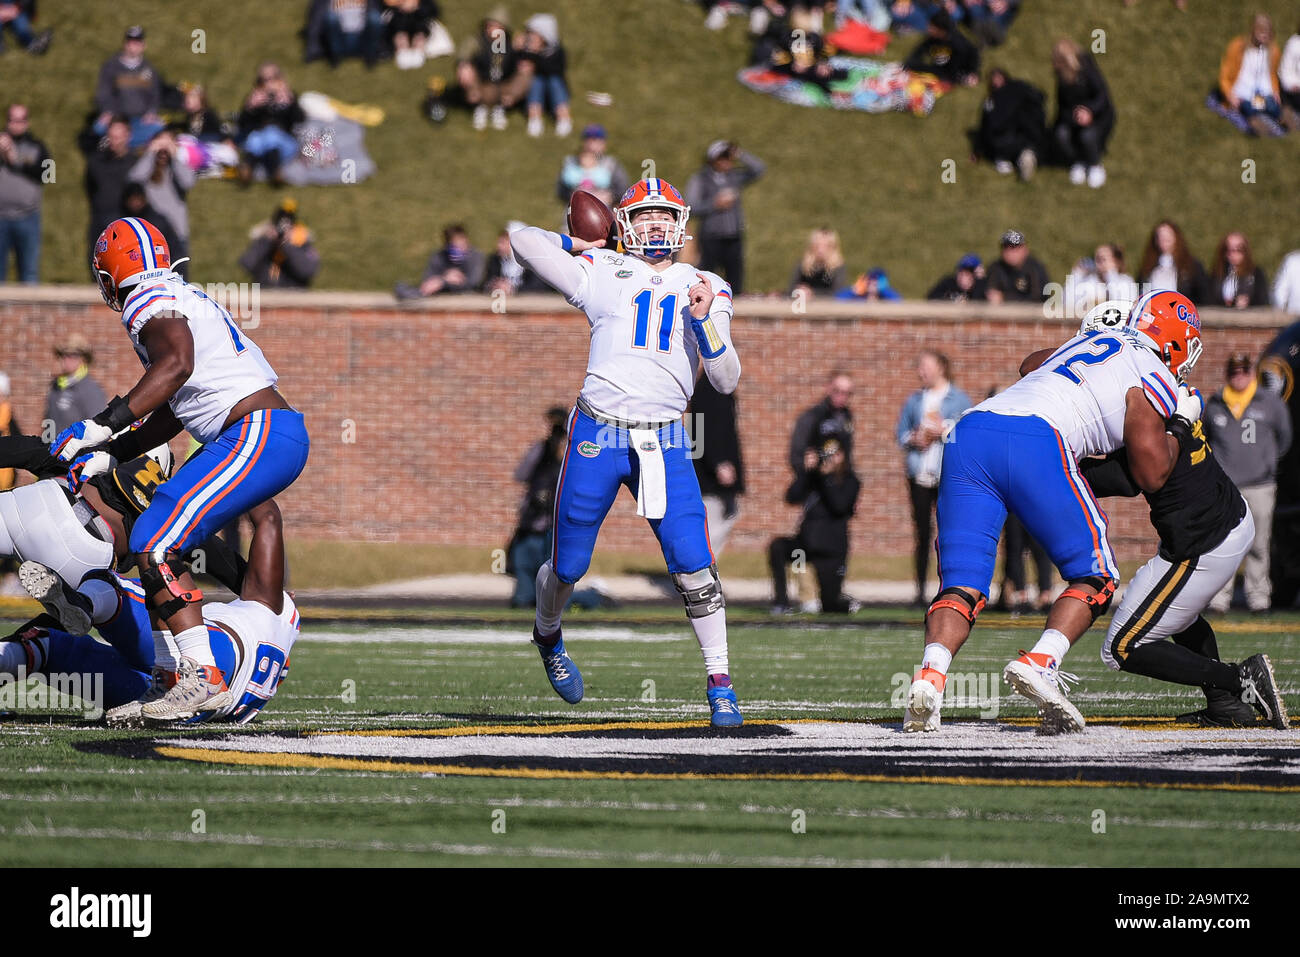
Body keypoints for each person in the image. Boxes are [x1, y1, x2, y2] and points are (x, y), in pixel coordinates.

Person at [903, 291, 1202, 734]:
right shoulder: (1155, 371)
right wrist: (1179, 420)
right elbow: (1152, 470)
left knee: (962, 585)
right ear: (1177, 341)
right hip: (1034, 438)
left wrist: (1086, 337)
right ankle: (1041, 663)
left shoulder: (1090, 343)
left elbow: (1029, 364)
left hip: (970, 432)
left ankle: (929, 678)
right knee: (1096, 577)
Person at [50, 216, 310, 722]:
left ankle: (201, 678)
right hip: (261, 432)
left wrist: (103, 425)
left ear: (111, 274)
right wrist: (120, 449)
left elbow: (177, 366)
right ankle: (179, 675)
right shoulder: (176, 294)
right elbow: (176, 403)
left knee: (154, 538)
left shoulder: (147, 300)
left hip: (253, 431)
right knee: (160, 535)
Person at [509, 177, 745, 727]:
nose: (658, 225)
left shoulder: (707, 283)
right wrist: (579, 244)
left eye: (666, 216)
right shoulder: (604, 272)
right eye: (645, 216)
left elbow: (728, 379)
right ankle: (548, 634)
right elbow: (521, 240)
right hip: (598, 432)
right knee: (568, 567)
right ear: (624, 224)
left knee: (695, 567)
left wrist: (706, 320)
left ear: (682, 223)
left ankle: (720, 682)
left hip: (663, 438)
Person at [1059, 312, 1287, 729]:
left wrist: (1054, 470)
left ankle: (1239, 680)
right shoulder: (1159, 386)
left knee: (1123, 646)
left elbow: (1133, 478)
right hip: (1221, 521)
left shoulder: (1146, 398)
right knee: (1179, 613)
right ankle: (1225, 703)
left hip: (1203, 542)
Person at [9, 498, 300, 727]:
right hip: (200, 704)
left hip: (206, 663)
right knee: (48, 646)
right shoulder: (274, 649)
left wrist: (232, 466)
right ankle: (78, 612)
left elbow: (268, 517)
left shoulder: (267, 603)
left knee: (127, 586)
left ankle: (85, 604)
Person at [1204, 353, 1292, 614]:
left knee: (1259, 544)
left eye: (1243, 370)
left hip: (1260, 485)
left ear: (1252, 372)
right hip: (1226, 487)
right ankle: (1219, 599)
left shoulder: (1270, 403)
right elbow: (1205, 440)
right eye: (1234, 371)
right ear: (1227, 373)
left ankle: (1259, 598)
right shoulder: (1216, 403)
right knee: (1222, 544)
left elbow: (1284, 439)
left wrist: (1266, 464)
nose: (1239, 376)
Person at [505, 407, 609, 610]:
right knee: (523, 598)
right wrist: (544, 453)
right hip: (531, 525)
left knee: (557, 597)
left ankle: (594, 596)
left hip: (554, 527)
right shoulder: (541, 450)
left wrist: (562, 454)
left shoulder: (573, 451)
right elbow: (521, 474)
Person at [896, 350, 972, 605]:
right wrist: (914, 438)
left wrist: (943, 431)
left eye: (925, 366)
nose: (920, 372)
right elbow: (901, 433)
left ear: (940, 367)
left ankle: (948, 588)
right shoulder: (915, 400)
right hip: (919, 474)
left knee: (948, 533)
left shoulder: (958, 399)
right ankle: (919, 590)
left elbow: (966, 433)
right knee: (921, 533)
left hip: (946, 476)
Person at [770, 436, 861, 615]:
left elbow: (839, 505)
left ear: (842, 456)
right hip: (805, 550)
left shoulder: (850, 481)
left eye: (833, 455)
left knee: (829, 605)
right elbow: (791, 497)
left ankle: (844, 602)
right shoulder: (812, 479)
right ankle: (782, 602)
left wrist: (826, 478)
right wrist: (806, 472)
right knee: (779, 547)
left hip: (831, 552)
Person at [684, 140, 766, 295]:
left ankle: (735, 309)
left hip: (733, 235)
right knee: (707, 275)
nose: (727, 161)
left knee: (736, 277)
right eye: (722, 157)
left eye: (729, 157)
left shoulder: (733, 177)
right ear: (712, 160)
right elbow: (691, 206)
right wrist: (714, 204)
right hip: (710, 236)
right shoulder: (700, 179)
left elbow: (759, 169)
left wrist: (741, 154)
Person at [1217, 12, 1297, 137]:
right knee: (1248, 108)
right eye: (1261, 32)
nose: (1264, 36)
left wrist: (1275, 90)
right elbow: (1225, 76)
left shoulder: (1273, 50)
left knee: (1272, 106)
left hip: (1263, 91)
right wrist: (1230, 95)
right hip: (1243, 91)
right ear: (1253, 31)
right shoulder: (1237, 47)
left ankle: (1284, 119)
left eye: (1267, 33)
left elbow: (1273, 74)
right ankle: (1257, 124)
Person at [690, 375, 745, 555]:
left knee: (727, 516)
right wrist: (717, 463)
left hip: (717, 473)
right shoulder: (707, 389)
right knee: (710, 527)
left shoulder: (721, 389)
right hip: (709, 476)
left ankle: (704, 574)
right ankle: (699, 575)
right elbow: (699, 430)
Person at [457, 7, 534, 131]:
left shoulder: (512, 42)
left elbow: (528, 58)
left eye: (496, 26)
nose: (492, 30)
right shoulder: (477, 41)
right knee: (466, 71)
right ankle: (480, 106)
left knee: (526, 73)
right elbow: (464, 53)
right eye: (490, 26)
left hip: (504, 84)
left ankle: (500, 108)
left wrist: (522, 50)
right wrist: (463, 65)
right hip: (484, 84)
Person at [1051, 37, 1114, 188]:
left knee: (1087, 136)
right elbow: (1062, 104)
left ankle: (1094, 165)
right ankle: (1078, 160)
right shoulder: (1061, 77)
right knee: (1061, 135)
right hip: (1073, 118)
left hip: (1098, 117)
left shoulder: (1087, 68)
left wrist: (1089, 111)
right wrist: (1072, 117)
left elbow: (1103, 96)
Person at [128, 131, 195, 269]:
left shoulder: (176, 168)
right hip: (152, 231)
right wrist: (150, 153)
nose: (163, 149)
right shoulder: (147, 169)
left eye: (168, 143)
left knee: (179, 274)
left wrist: (175, 157)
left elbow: (188, 182)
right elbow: (134, 179)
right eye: (160, 143)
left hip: (177, 230)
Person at [93, 26, 164, 149]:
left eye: (137, 43)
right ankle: (127, 141)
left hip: (140, 118)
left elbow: (155, 95)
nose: (133, 47)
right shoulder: (111, 66)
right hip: (117, 118)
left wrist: (151, 112)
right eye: (130, 43)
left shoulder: (149, 69)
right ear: (124, 44)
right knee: (98, 128)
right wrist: (107, 111)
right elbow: (104, 93)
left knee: (158, 127)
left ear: (143, 46)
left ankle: (118, 142)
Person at [0, 102, 48, 283]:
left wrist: (15, 159)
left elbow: (47, 174)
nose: (17, 124)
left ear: (26, 123)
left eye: (21, 120)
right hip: (1, 217)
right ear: (7, 122)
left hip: (28, 217)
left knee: (29, 274)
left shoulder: (37, 146)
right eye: (13, 120)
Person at [970, 67, 1045, 181]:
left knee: (1019, 146)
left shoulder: (1018, 88)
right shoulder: (990, 101)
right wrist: (977, 150)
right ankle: (1021, 158)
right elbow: (985, 127)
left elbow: (1039, 97)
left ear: (1005, 77)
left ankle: (1022, 158)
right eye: (993, 78)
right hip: (1005, 140)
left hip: (1021, 134)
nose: (996, 81)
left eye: (998, 77)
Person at [237, 63, 304, 186]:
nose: (268, 83)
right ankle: (247, 169)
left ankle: (274, 172)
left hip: (285, 143)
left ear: (280, 79)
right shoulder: (255, 98)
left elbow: (299, 121)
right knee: (256, 138)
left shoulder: (289, 97)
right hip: (259, 144)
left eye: (273, 78)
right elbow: (242, 124)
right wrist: (250, 108)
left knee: (271, 134)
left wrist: (290, 104)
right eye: (263, 80)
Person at [238, 197, 321, 288]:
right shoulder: (264, 242)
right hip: (264, 297)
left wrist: (287, 245)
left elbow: (307, 271)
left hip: (295, 298)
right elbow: (247, 264)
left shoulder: (302, 244)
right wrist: (266, 241)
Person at [83, 116, 135, 255]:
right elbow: (89, 187)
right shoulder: (96, 161)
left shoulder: (135, 164)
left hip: (126, 222)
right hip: (100, 219)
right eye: (111, 137)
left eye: (118, 137)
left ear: (128, 136)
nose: (114, 142)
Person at [518, 13, 571, 138]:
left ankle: (563, 117)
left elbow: (554, 70)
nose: (529, 36)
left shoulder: (557, 51)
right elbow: (519, 65)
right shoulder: (526, 49)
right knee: (536, 81)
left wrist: (535, 55)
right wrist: (518, 50)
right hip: (537, 86)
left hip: (556, 85)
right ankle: (534, 117)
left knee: (553, 81)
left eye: (532, 33)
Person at [790, 371, 855, 474]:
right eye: (837, 391)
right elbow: (796, 457)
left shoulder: (847, 416)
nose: (842, 397)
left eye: (847, 393)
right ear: (828, 388)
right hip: (814, 482)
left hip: (837, 483)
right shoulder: (812, 416)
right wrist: (812, 465)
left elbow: (847, 452)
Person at [45, 334, 108, 436]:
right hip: (52, 448)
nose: (66, 360)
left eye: (72, 355)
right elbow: (48, 421)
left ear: (83, 359)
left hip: (77, 449)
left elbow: (97, 427)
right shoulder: (56, 387)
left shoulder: (90, 389)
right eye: (63, 355)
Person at [1136, 219, 1210, 305]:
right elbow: (1141, 291)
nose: (1163, 239)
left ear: (1176, 237)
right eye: (1159, 236)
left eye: (1167, 236)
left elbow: (1204, 295)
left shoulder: (1192, 266)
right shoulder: (1148, 267)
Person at [555, 125, 630, 209]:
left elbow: (623, 189)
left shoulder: (611, 164)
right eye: (589, 140)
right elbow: (561, 190)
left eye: (596, 141)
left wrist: (611, 197)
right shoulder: (570, 162)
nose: (592, 145)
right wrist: (574, 195)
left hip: (604, 213)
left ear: (604, 144)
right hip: (575, 212)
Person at [903, 10, 980, 87]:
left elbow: (950, 71)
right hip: (943, 65)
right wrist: (912, 61)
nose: (928, 29)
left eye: (931, 27)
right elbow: (920, 49)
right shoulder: (934, 37)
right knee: (913, 65)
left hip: (955, 70)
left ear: (941, 30)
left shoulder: (958, 45)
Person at [1066, 243, 1137, 315]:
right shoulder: (1090, 281)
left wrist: (1111, 274)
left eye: (1104, 259)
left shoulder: (1126, 281)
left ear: (1116, 261)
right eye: (1097, 259)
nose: (1099, 263)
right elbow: (1069, 304)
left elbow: (1123, 306)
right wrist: (1076, 275)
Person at [415, 224, 485, 296]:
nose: (458, 248)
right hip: (439, 298)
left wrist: (443, 282)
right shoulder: (439, 256)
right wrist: (445, 278)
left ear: (466, 240)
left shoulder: (476, 257)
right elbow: (428, 281)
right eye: (454, 245)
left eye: (461, 243)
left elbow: (473, 283)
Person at [1209, 231, 1271, 308]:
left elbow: (1263, 301)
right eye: (1229, 250)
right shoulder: (1218, 273)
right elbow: (1209, 299)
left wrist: (1247, 302)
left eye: (1239, 249)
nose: (1233, 254)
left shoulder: (1256, 273)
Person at [985, 228, 1048, 303]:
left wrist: (1005, 298)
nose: (1011, 253)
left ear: (1025, 250)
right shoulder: (995, 268)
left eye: (1015, 247)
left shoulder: (1035, 268)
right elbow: (991, 292)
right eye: (1006, 248)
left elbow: (1038, 297)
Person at [482, 224, 546, 295]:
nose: (499, 246)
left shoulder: (533, 261)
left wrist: (514, 289)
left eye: (503, 242)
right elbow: (484, 284)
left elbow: (538, 287)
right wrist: (494, 286)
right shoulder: (495, 259)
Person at [788, 227, 846, 299]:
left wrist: (812, 293)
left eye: (825, 246)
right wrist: (798, 291)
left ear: (832, 247)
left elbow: (838, 292)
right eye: (817, 245)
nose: (820, 250)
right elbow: (791, 289)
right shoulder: (803, 264)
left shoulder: (837, 267)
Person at [325, 0, 384, 67]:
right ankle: (335, 57)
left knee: (375, 17)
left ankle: (370, 56)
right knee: (331, 17)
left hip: (362, 39)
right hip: (341, 39)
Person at [385, 0, 440, 70]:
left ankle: (418, 51)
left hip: (419, 19)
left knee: (419, 36)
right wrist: (399, 5)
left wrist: (416, 6)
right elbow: (385, 6)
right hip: (399, 19)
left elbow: (433, 10)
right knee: (401, 36)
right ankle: (402, 51)